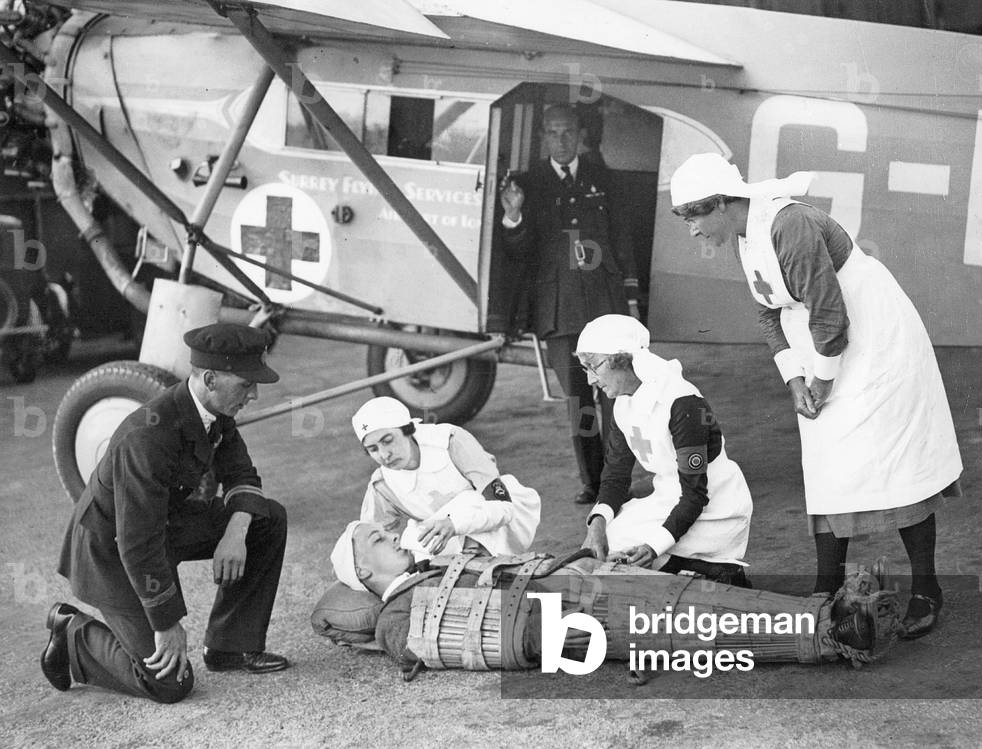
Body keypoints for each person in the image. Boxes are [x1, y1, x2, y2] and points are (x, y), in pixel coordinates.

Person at [668, 153, 963, 638]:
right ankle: (825, 590)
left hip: (875, 340)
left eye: (695, 216)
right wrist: (794, 380)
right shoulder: (745, 236)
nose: (693, 230)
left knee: (898, 464)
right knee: (825, 462)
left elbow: (831, 311)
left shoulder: (791, 224)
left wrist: (820, 382)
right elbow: (768, 313)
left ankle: (928, 590)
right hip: (823, 344)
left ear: (722, 203)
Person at [42, 323, 289, 703]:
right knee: (169, 684)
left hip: (161, 529)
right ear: (209, 378)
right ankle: (73, 634)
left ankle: (229, 647)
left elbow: (241, 473)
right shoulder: (147, 437)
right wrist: (166, 622)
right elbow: (136, 543)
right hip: (112, 552)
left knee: (266, 519)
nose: (254, 394)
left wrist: (236, 532)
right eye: (246, 384)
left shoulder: (214, 409)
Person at [317, 520, 900, 677]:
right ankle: (833, 635)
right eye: (376, 540)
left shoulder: (433, 569)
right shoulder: (396, 613)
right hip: (552, 621)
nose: (391, 536)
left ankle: (825, 614)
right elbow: (428, 645)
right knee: (679, 624)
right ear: (363, 572)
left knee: (688, 593)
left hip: (558, 585)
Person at [500, 103, 640, 504]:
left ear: (579, 135)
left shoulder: (605, 179)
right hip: (558, 309)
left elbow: (622, 240)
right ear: (543, 136)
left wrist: (630, 300)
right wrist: (513, 215)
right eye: (552, 133)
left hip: (605, 305)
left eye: (567, 133)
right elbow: (518, 250)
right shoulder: (529, 184)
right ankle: (591, 483)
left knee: (614, 399)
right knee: (578, 401)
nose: (560, 141)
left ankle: (616, 483)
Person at [574, 315, 753, 586]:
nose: (589, 380)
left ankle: (716, 570)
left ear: (622, 359)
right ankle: (680, 568)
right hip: (670, 498)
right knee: (609, 539)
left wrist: (653, 548)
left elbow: (694, 495)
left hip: (714, 508)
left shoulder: (682, 403)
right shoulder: (623, 404)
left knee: (636, 551)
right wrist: (596, 526)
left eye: (593, 367)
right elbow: (615, 478)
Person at [336, 396, 540, 574]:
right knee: (413, 538)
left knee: (467, 501)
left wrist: (455, 524)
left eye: (388, 440)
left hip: (503, 518)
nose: (383, 455)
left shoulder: (450, 441)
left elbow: (504, 507)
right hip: (444, 539)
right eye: (372, 449)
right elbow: (367, 545)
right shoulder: (382, 485)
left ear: (407, 430)